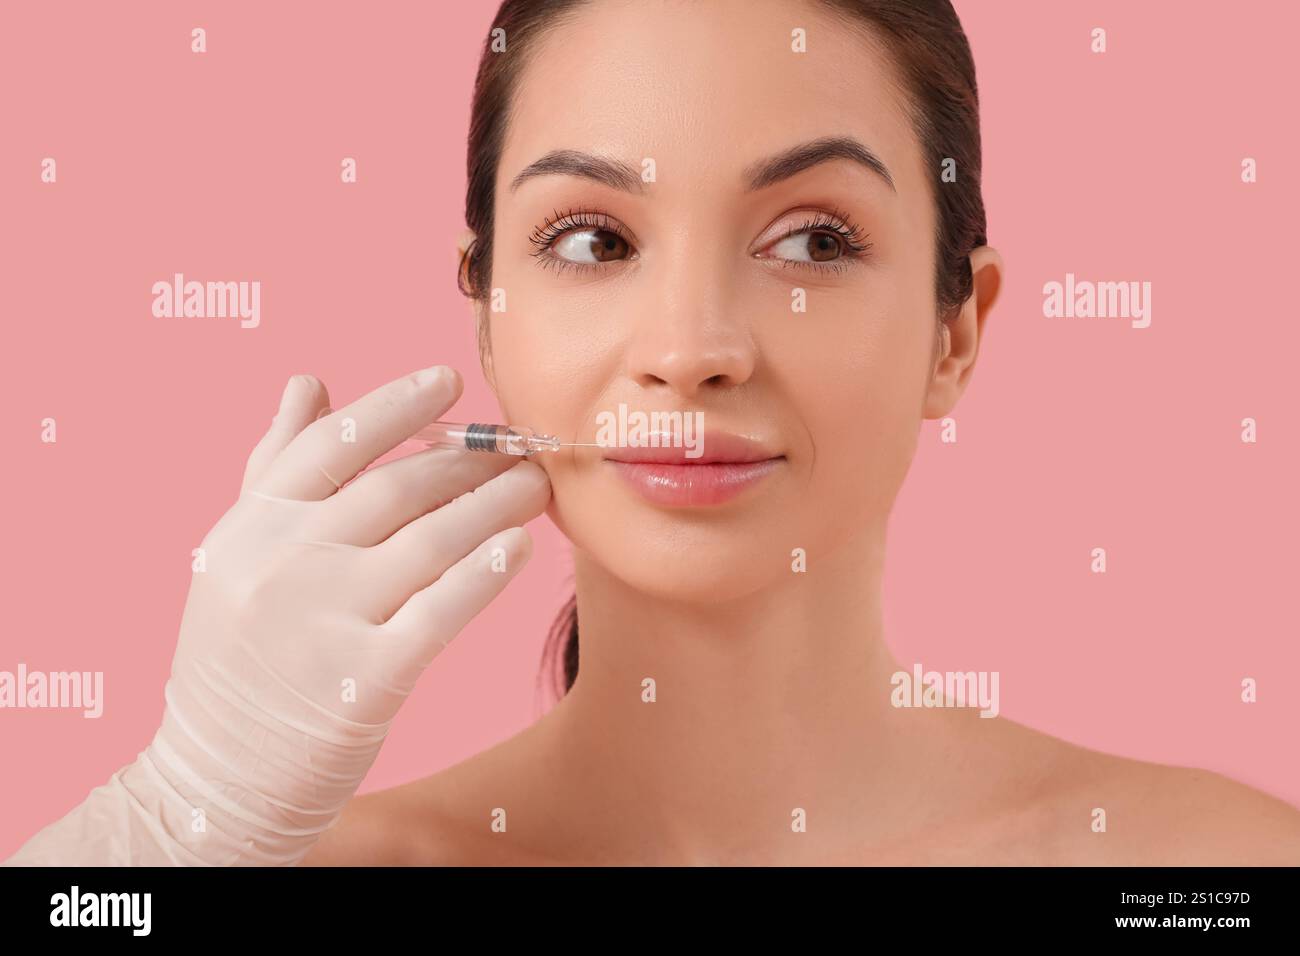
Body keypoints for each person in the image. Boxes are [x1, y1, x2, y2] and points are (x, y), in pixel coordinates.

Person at [8, 0, 1299, 867]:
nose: (692, 347)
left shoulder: (1197, 871)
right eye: (593, 240)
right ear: (491, 321)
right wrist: (171, 822)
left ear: (957, 329)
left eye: (813, 240)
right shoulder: (276, 869)